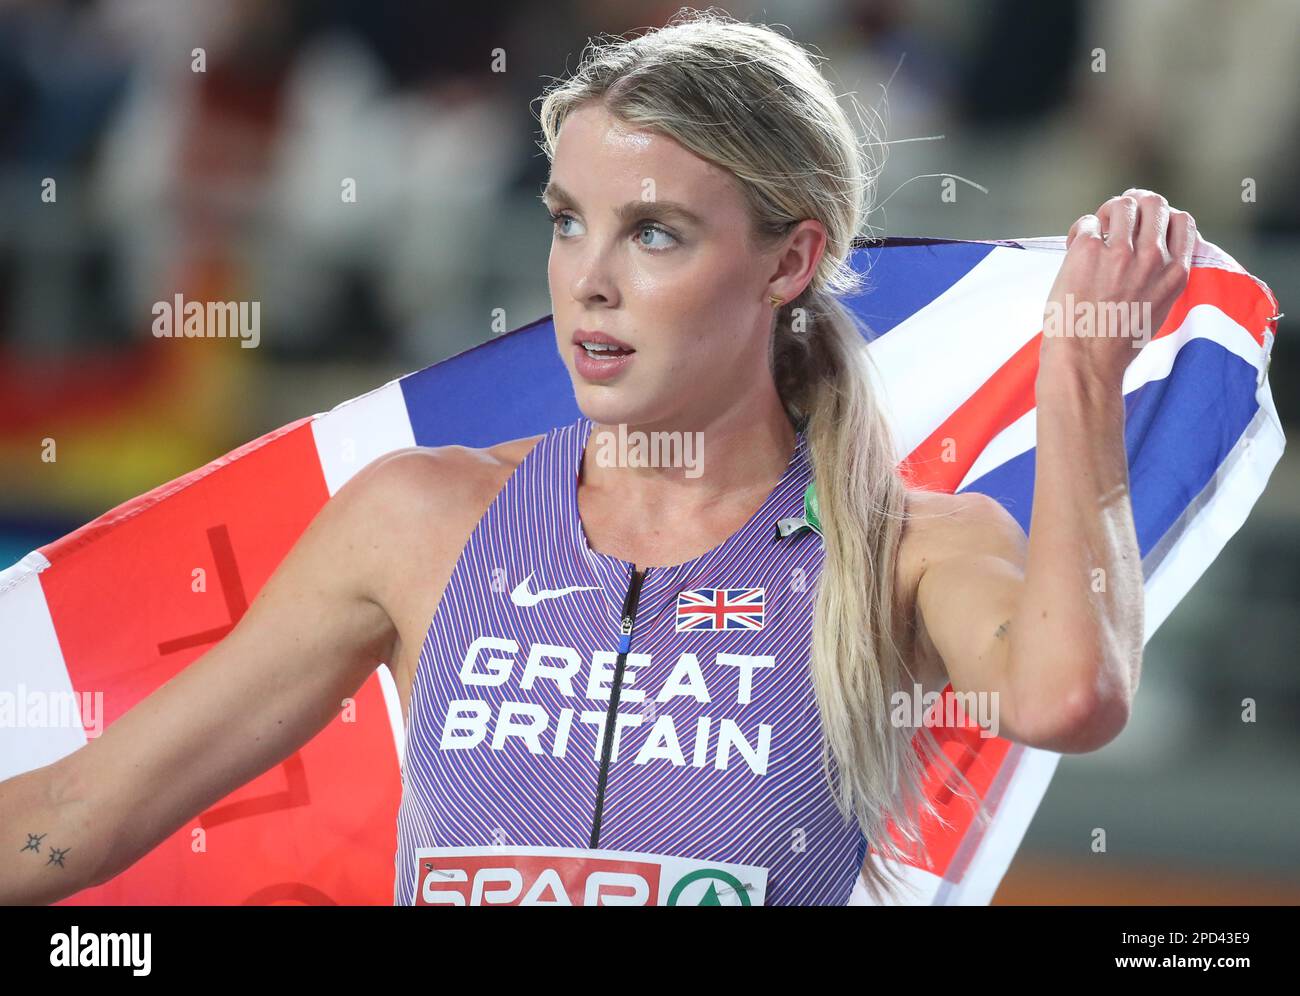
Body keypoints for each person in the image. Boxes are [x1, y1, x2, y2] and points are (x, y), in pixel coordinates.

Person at [0, 8, 1195, 906]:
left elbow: (1066, 696)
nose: (591, 280)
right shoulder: (421, 518)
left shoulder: (906, 545)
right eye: (568, 220)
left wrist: (1083, 376)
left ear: (788, 262)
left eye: (655, 232)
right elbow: (80, 810)